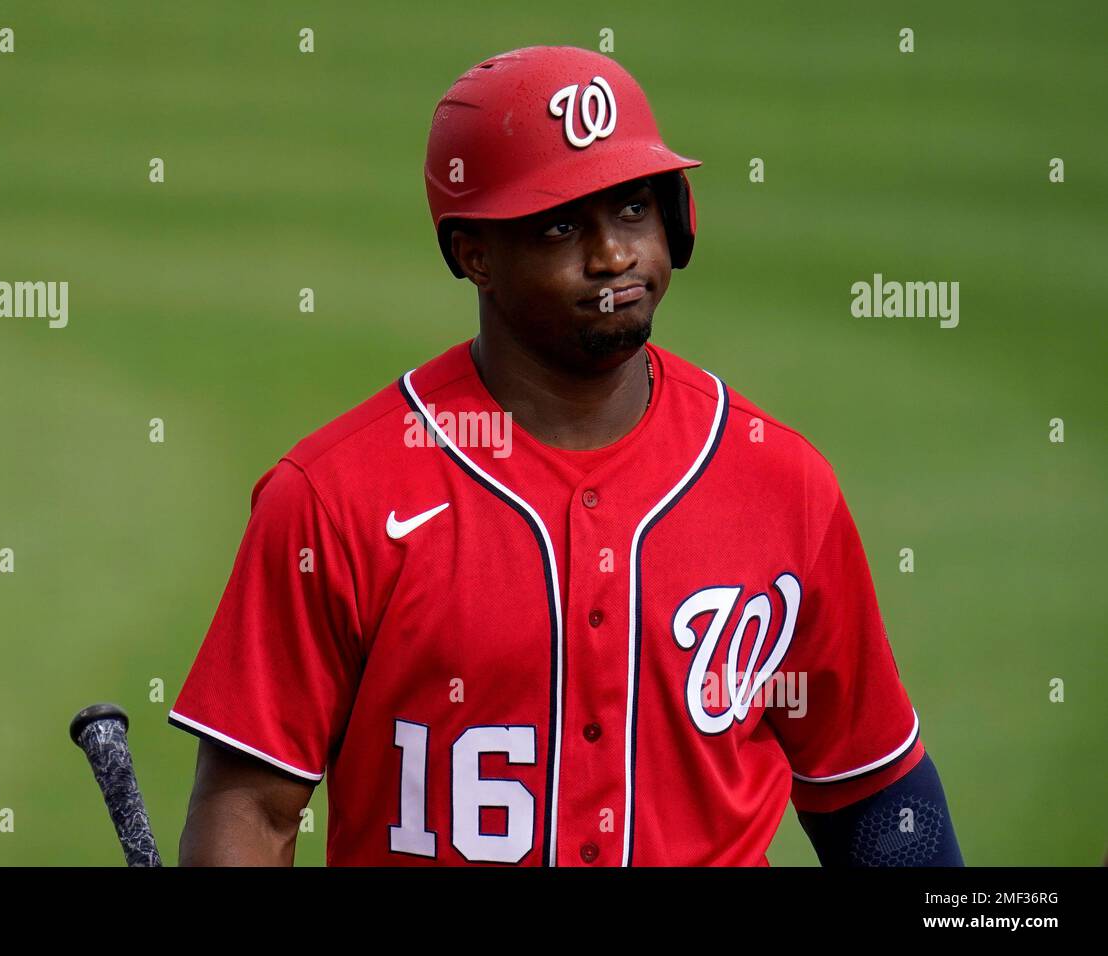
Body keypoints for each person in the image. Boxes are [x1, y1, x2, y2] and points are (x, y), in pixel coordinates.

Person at [171, 45, 962, 867]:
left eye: (631, 210)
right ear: (474, 252)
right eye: (560, 225)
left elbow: (872, 789)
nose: (613, 255)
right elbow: (255, 811)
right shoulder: (335, 497)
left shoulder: (779, 481)